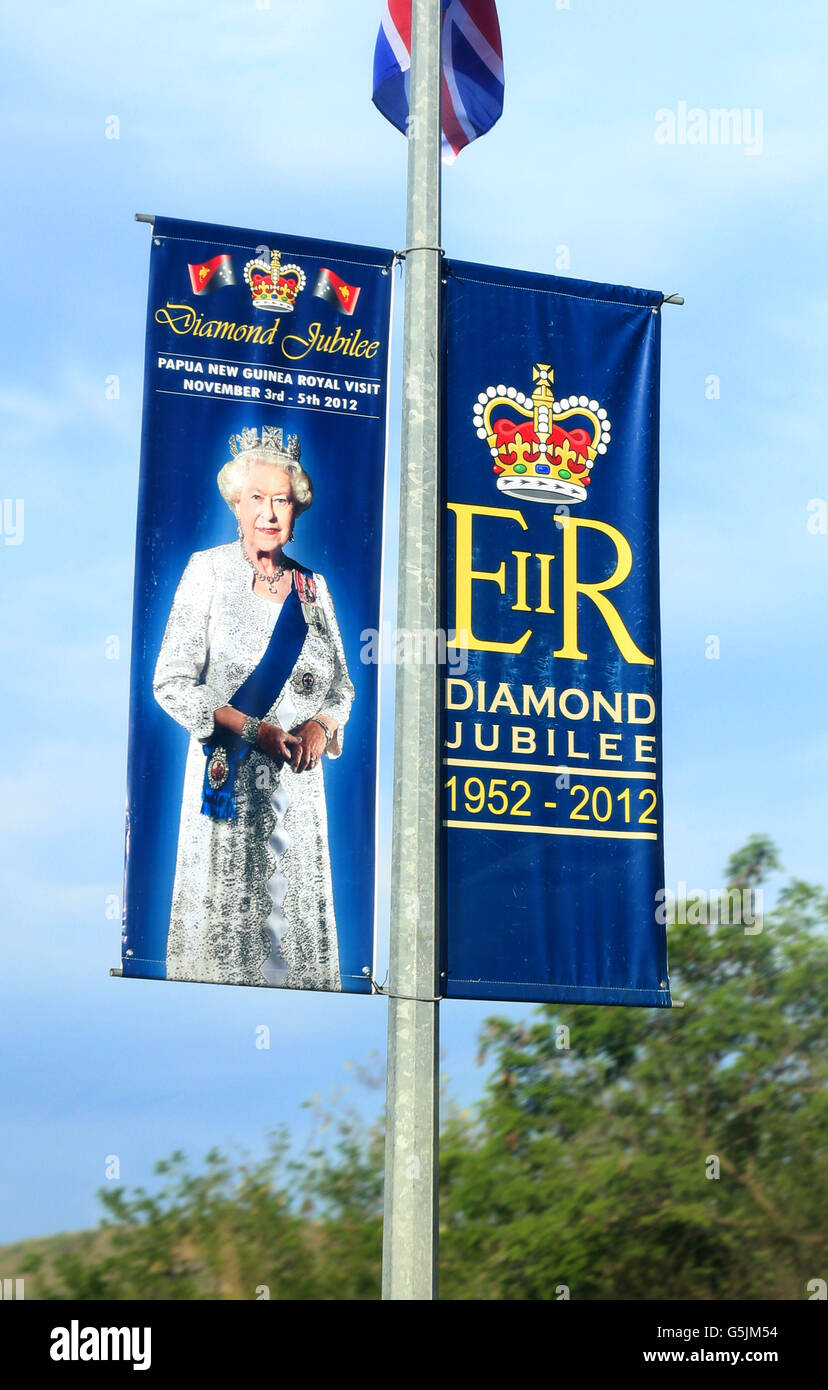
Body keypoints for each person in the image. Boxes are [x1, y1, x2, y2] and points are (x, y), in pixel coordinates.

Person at [153, 424, 354, 990]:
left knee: (294, 950)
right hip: (230, 784)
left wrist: (321, 723)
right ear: (237, 505)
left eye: (282, 501)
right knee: (226, 948)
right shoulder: (208, 572)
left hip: (298, 790)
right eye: (257, 499)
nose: (270, 513)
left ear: (296, 511)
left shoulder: (314, 588)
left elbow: (341, 684)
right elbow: (170, 682)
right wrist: (253, 729)